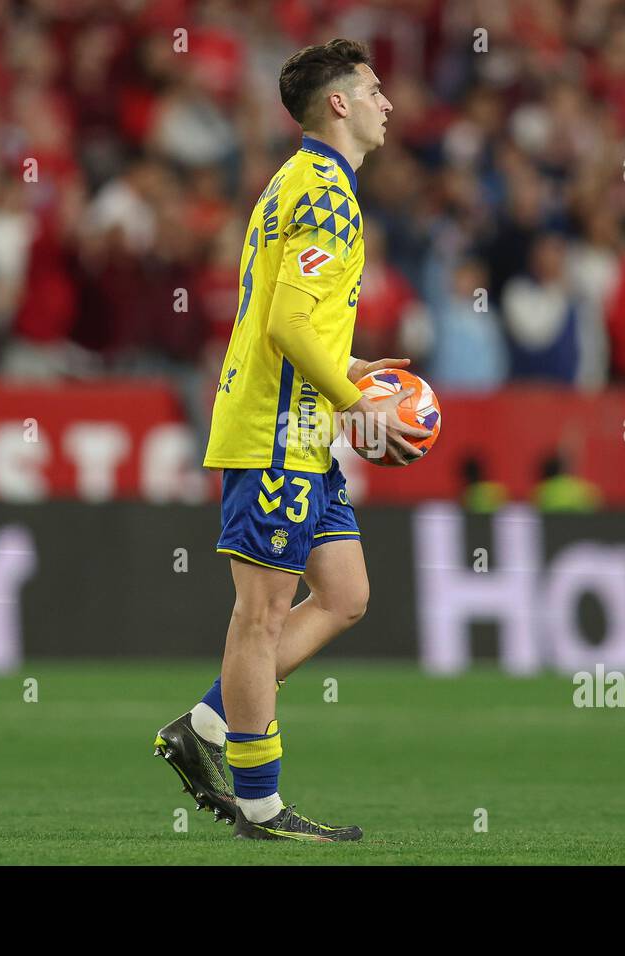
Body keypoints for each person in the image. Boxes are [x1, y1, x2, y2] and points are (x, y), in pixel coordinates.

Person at [152, 39, 430, 842]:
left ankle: (207, 725)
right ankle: (261, 807)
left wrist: (342, 366)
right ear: (338, 103)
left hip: (299, 421)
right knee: (261, 616)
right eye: (375, 89)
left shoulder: (297, 183)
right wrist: (357, 400)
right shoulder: (325, 195)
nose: (388, 103)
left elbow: (285, 318)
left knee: (345, 593)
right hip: (278, 427)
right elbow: (284, 324)